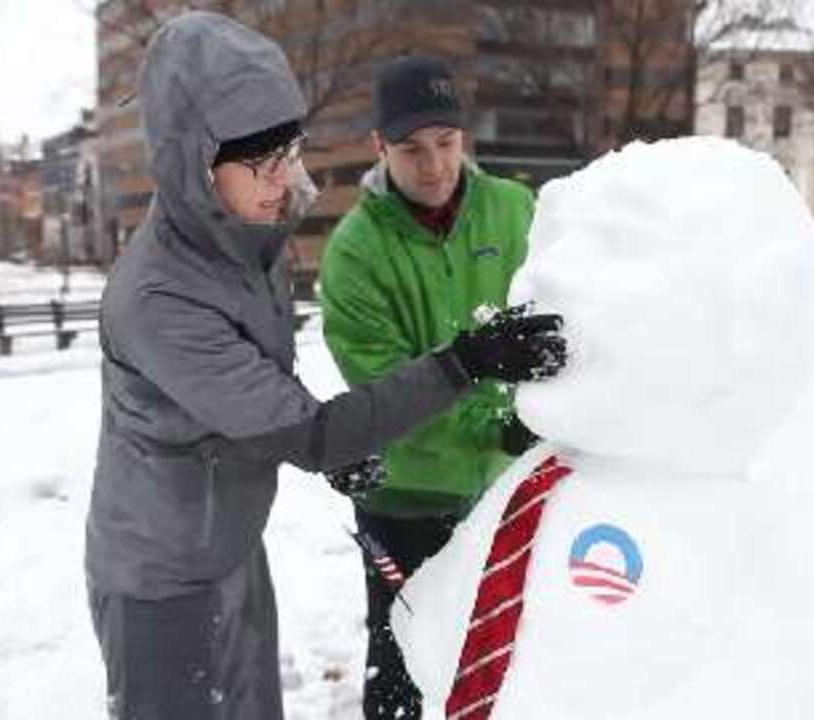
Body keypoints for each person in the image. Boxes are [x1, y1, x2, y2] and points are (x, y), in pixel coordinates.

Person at [84, 13, 567, 720]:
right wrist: (465, 364)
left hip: (228, 542)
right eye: (261, 163)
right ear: (194, 162)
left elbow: (260, 392)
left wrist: (323, 444)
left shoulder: (242, 237)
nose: (285, 181)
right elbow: (307, 430)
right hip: (160, 571)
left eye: (288, 152)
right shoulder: (161, 300)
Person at [318, 54, 542, 720]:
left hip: (507, 492)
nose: (435, 165)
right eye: (412, 149)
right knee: (404, 665)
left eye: (446, 143)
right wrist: (494, 424)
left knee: (503, 654)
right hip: (405, 502)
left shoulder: (516, 210)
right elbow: (386, 392)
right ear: (378, 147)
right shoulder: (354, 252)